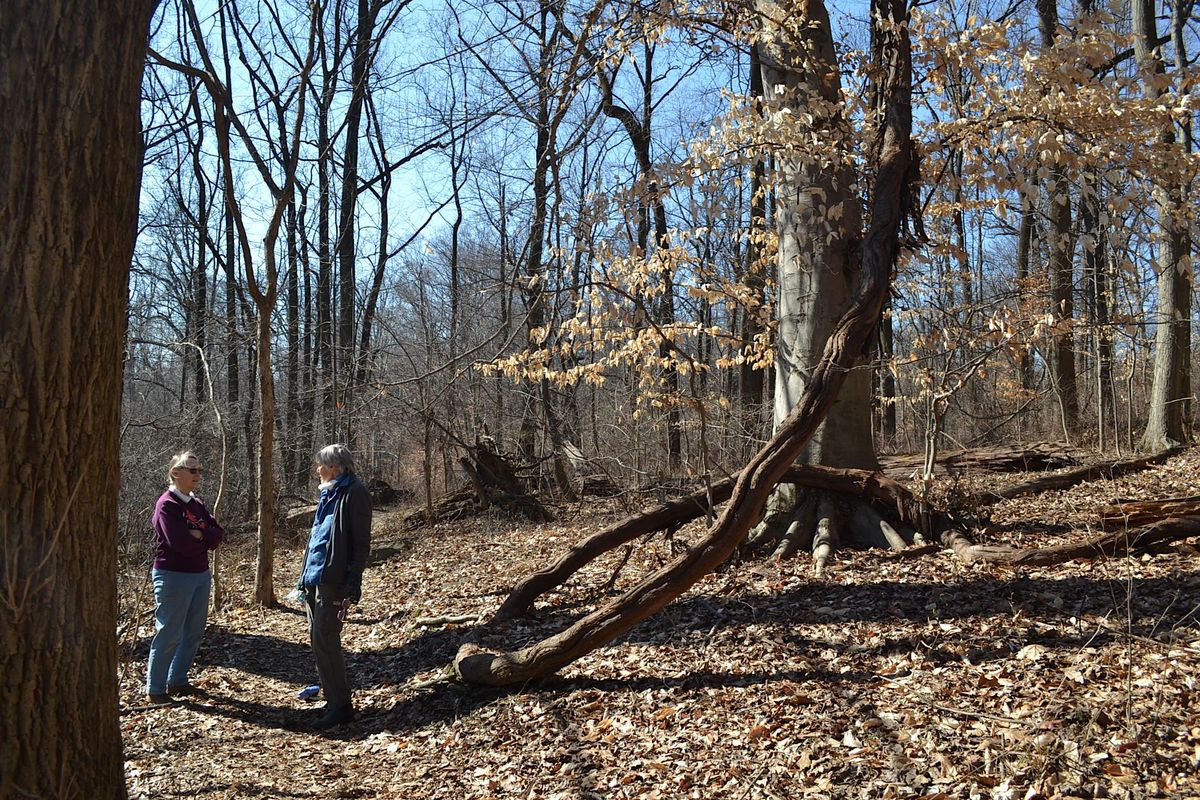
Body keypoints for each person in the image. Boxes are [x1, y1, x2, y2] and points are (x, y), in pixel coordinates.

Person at [296, 443, 372, 729]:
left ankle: (341, 707)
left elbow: (361, 542)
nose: (317, 470)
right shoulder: (329, 493)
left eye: (322, 465)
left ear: (336, 467)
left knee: (326, 639)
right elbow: (318, 538)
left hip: (335, 581)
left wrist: (354, 578)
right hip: (316, 578)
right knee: (318, 641)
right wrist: (304, 576)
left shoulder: (355, 493)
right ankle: (333, 700)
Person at [146, 451, 224, 704]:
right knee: (170, 632)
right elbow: (180, 543)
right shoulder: (167, 505)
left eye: (199, 470)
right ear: (175, 473)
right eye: (192, 470)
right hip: (173, 575)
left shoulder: (197, 503)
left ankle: (177, 680)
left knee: (194, 631)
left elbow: (217, 535)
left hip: (200, 575)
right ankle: (156, 689)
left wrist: (200, 534)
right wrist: (203, 536)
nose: (197, 475)